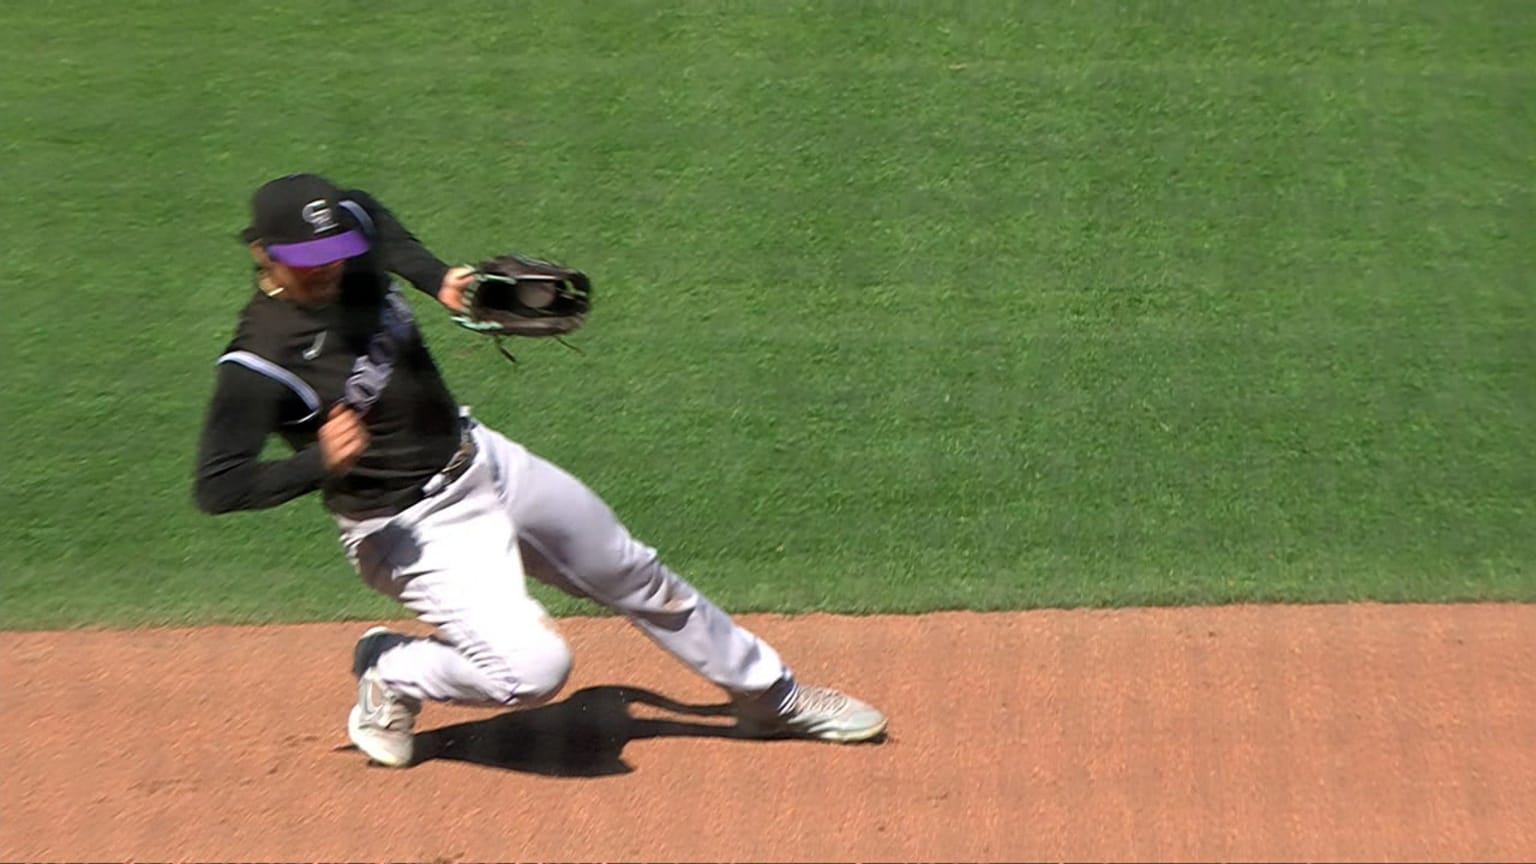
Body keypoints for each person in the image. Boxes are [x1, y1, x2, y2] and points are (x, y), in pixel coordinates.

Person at [193, 172, 887, 767]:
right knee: (533, 672)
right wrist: (319, 462)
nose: (328, 266)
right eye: (307, 259)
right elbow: (217, 486)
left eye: (335, 251)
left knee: (635, 572)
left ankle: (773, 699)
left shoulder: (350, 240)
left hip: (483, 457)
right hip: (408, 527)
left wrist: (436, 279)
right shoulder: (258, 359)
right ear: (264, 253)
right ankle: (391, 668)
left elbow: (366, 208)